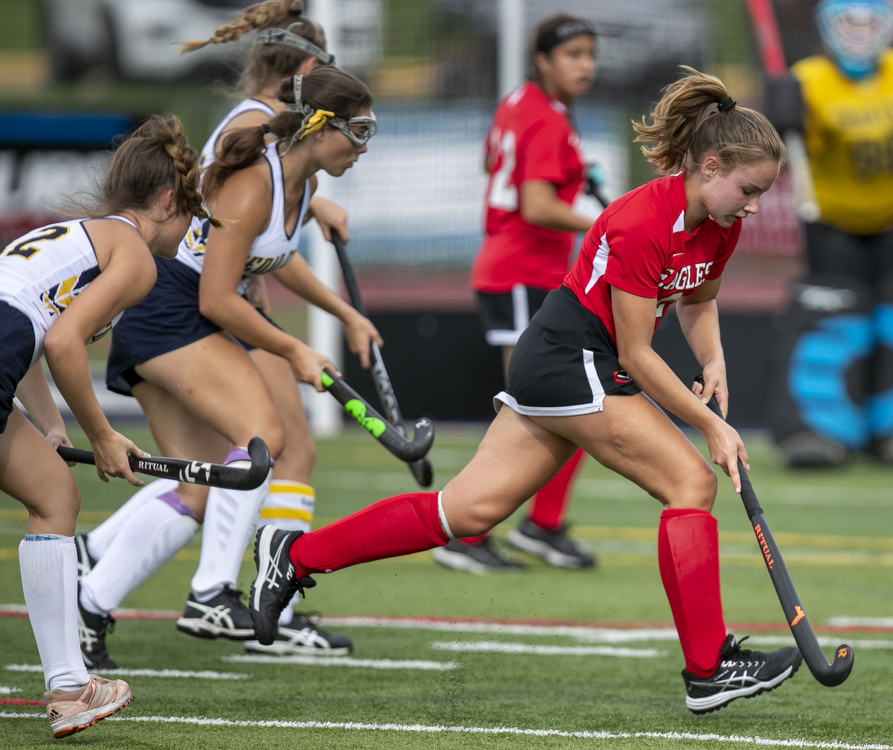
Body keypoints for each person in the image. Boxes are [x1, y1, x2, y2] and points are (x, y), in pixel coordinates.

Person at [250, 67, 805, 715]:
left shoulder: (721, 223)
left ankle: (295, 555)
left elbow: (698, 300)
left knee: (467, 512)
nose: (755, 205)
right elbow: (634, 353)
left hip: (569, 360)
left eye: (762, 194)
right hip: (573, 356)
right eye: (749, 189)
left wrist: (714, 361)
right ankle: (709, 669)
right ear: (709, 167)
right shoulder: (641, 222)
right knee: (691, 484)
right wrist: (710, 426)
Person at [75, 0, 358, 658]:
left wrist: (337, 304)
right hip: (185, 307)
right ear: (309, 76)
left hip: (186, 305)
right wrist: (287, 344)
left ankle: (90, 581)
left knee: (202, 483)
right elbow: (220, 275)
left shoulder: (279, 155)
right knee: (267, 445)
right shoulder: (260, 135)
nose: (358, 140)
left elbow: (264, 255)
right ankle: (217, 597)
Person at [0, 115, 212, 737]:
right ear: (169, 201)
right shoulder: (135, 256)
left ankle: (70, 688)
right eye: (192, 211)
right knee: (54, 501)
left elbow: (32, 333)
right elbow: (64, 341)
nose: (193, 227)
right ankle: (67, 687)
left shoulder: (65, 233)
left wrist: (50, 428)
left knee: (54, 494)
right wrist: (100, 435)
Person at [436, 14, 600, 574]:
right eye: (573, 54)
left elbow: (492, 162)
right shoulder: (549, 122)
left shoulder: (519, 102)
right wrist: (602, 223)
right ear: (544, 60)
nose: (586, 65)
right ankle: (471, 530)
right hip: (524, 272)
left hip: (516, 271)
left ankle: (538, 526)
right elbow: (535, 206)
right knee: (541, 410)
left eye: (590, 54)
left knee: (563, 403)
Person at [766, 0, 893, 467]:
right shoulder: (807, 79)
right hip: (830, 220)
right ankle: (824, 431)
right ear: (826, 26)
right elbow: (784, 157)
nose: (859, 31)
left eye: (869, 21)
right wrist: (781, 121)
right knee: (836, 328)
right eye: (847, 21)